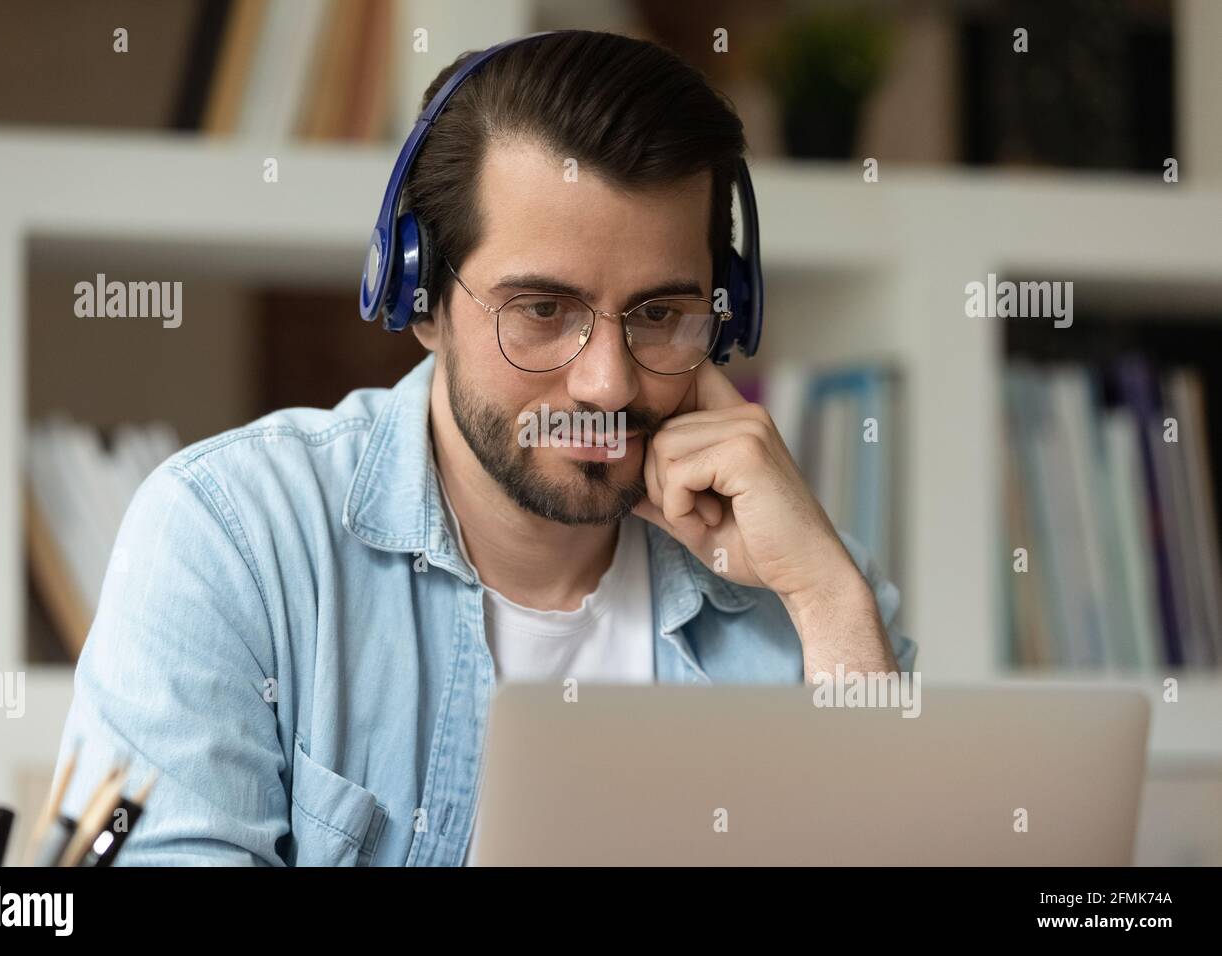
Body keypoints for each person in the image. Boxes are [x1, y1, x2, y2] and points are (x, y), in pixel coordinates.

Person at [51, 29, 915, 866]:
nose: (608, 386)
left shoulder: (807, 594)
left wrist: (831, 603)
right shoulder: (230, 537)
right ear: (419, 296)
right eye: (542, 311)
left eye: (658, 315)